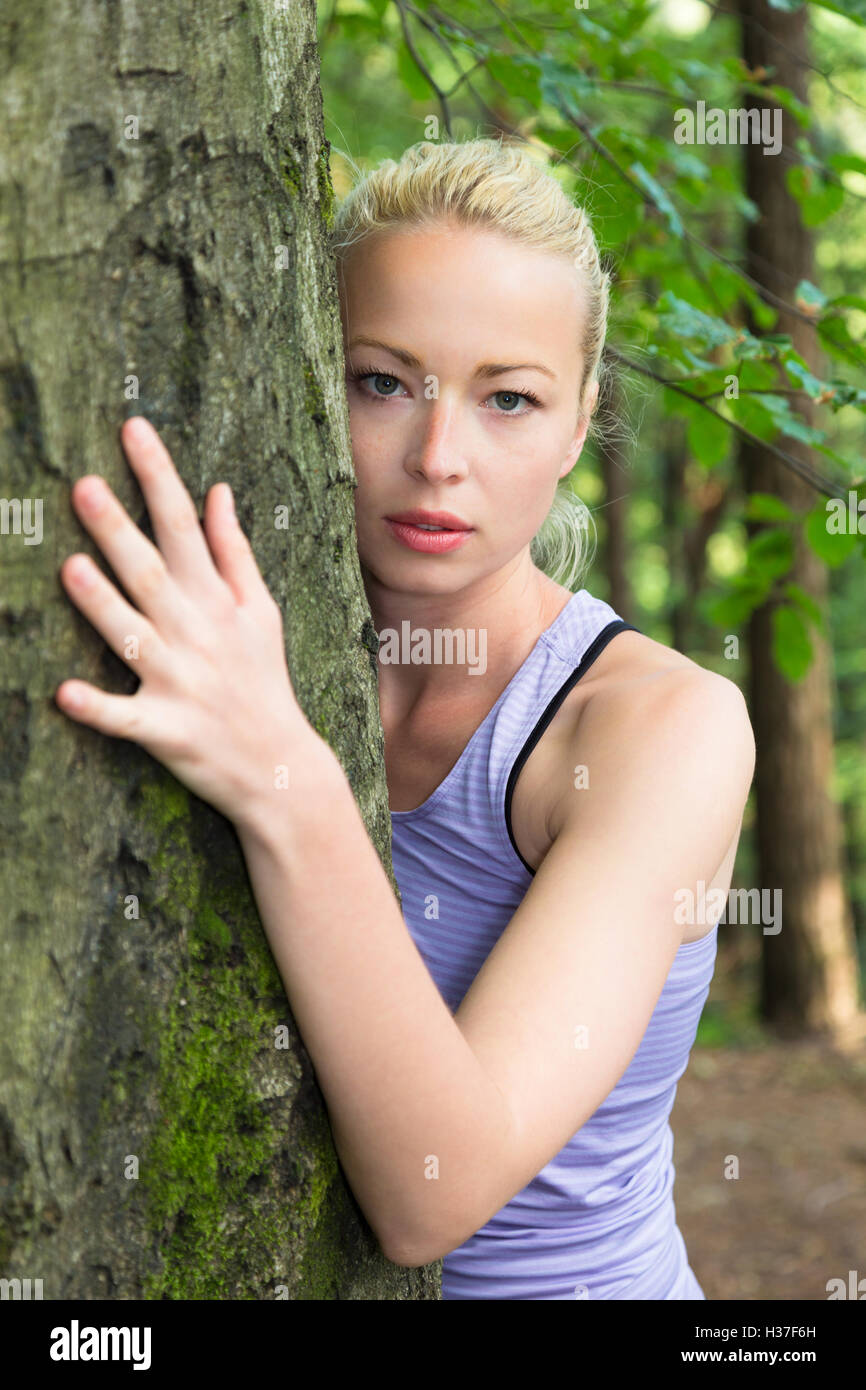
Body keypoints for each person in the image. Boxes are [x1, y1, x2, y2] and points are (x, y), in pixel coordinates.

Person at [55, 136, 755, 1299]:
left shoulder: (658, 728)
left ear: (579, 422)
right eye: (382, 381)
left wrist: (284, 771)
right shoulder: (256, 644)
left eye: (509, 399)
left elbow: (435, 1192)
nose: (438, 458)